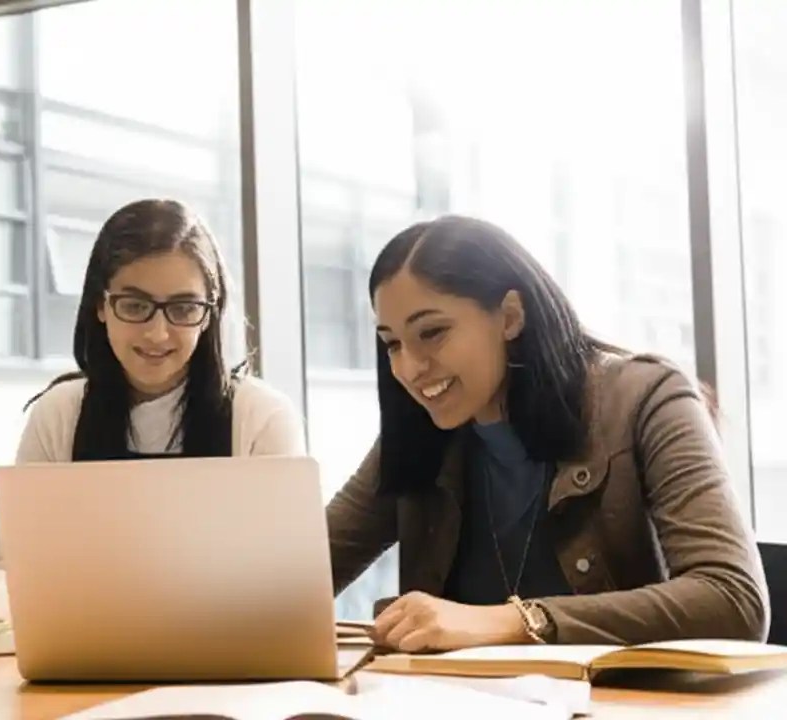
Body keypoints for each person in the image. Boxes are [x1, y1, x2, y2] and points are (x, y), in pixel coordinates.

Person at [327, 215, 768, 651]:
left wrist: (516, 621)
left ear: (510, 317)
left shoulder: (644, 397)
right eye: (393, 343)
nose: (409, 368)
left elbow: (733, 598)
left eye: (433, 332)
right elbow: (296, 581)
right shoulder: (419, 434)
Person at [0, 199, 306, 568]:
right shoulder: (59, 414)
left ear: (209, 315)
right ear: (101, 306)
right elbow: (12, 572)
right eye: (136, 306)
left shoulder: (261, 418)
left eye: (184, 308)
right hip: (81, 627)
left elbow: (287, 579)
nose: (158, 333)